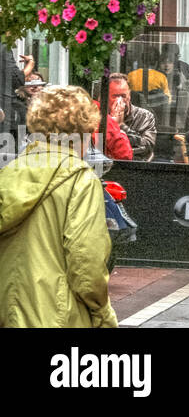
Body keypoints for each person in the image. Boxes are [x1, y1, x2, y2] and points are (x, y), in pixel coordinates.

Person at [0, 85, 118, 327]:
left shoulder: (9, 173)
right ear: (82, 133)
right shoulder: (80, 180)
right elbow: (86, 264)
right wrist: (103, 314)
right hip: (58, 316)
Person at [107, 73, 156, 161]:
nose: (120, 100)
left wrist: (121, 126)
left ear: (129, 95)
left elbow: (147, 147)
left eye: (123, 96)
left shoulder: (144, 116)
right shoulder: (98, 116)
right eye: (115, 96)